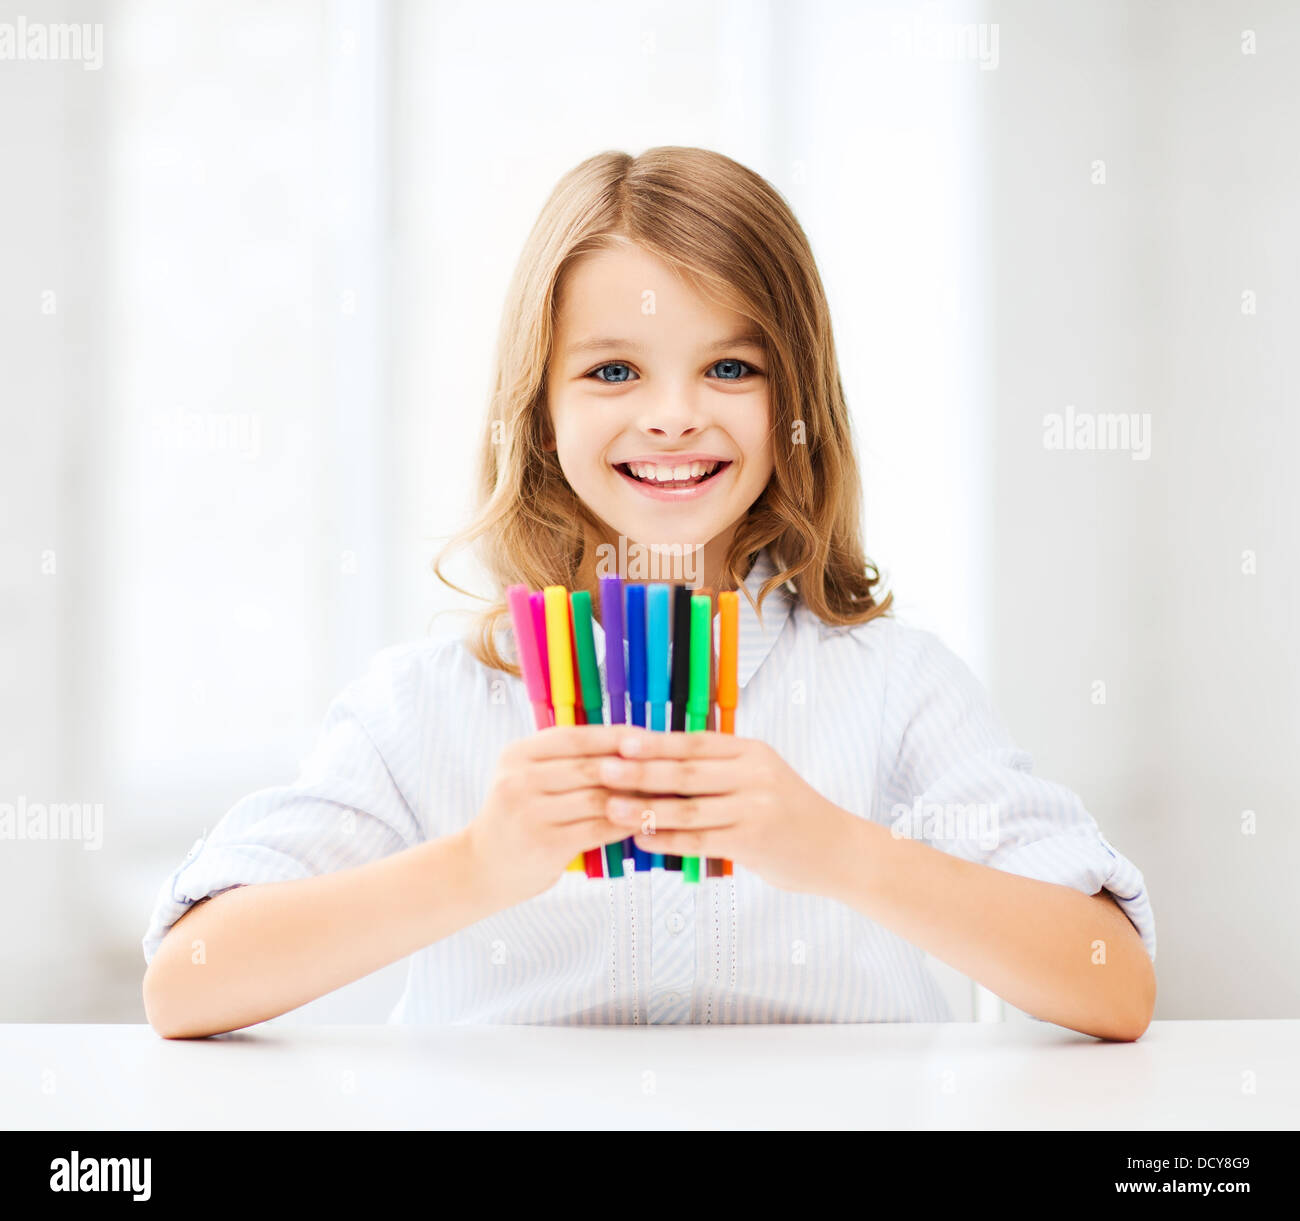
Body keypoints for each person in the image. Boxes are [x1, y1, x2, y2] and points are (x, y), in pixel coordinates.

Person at [142, 147, 1156, 1041]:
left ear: (792, 406)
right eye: (614, 371)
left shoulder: (894, 685)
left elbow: (1113, 985)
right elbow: (186, 987)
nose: (673, 417)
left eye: (728, 367)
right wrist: (478, 865)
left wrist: (840, 851)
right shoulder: (428, 705)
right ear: (539, 415)